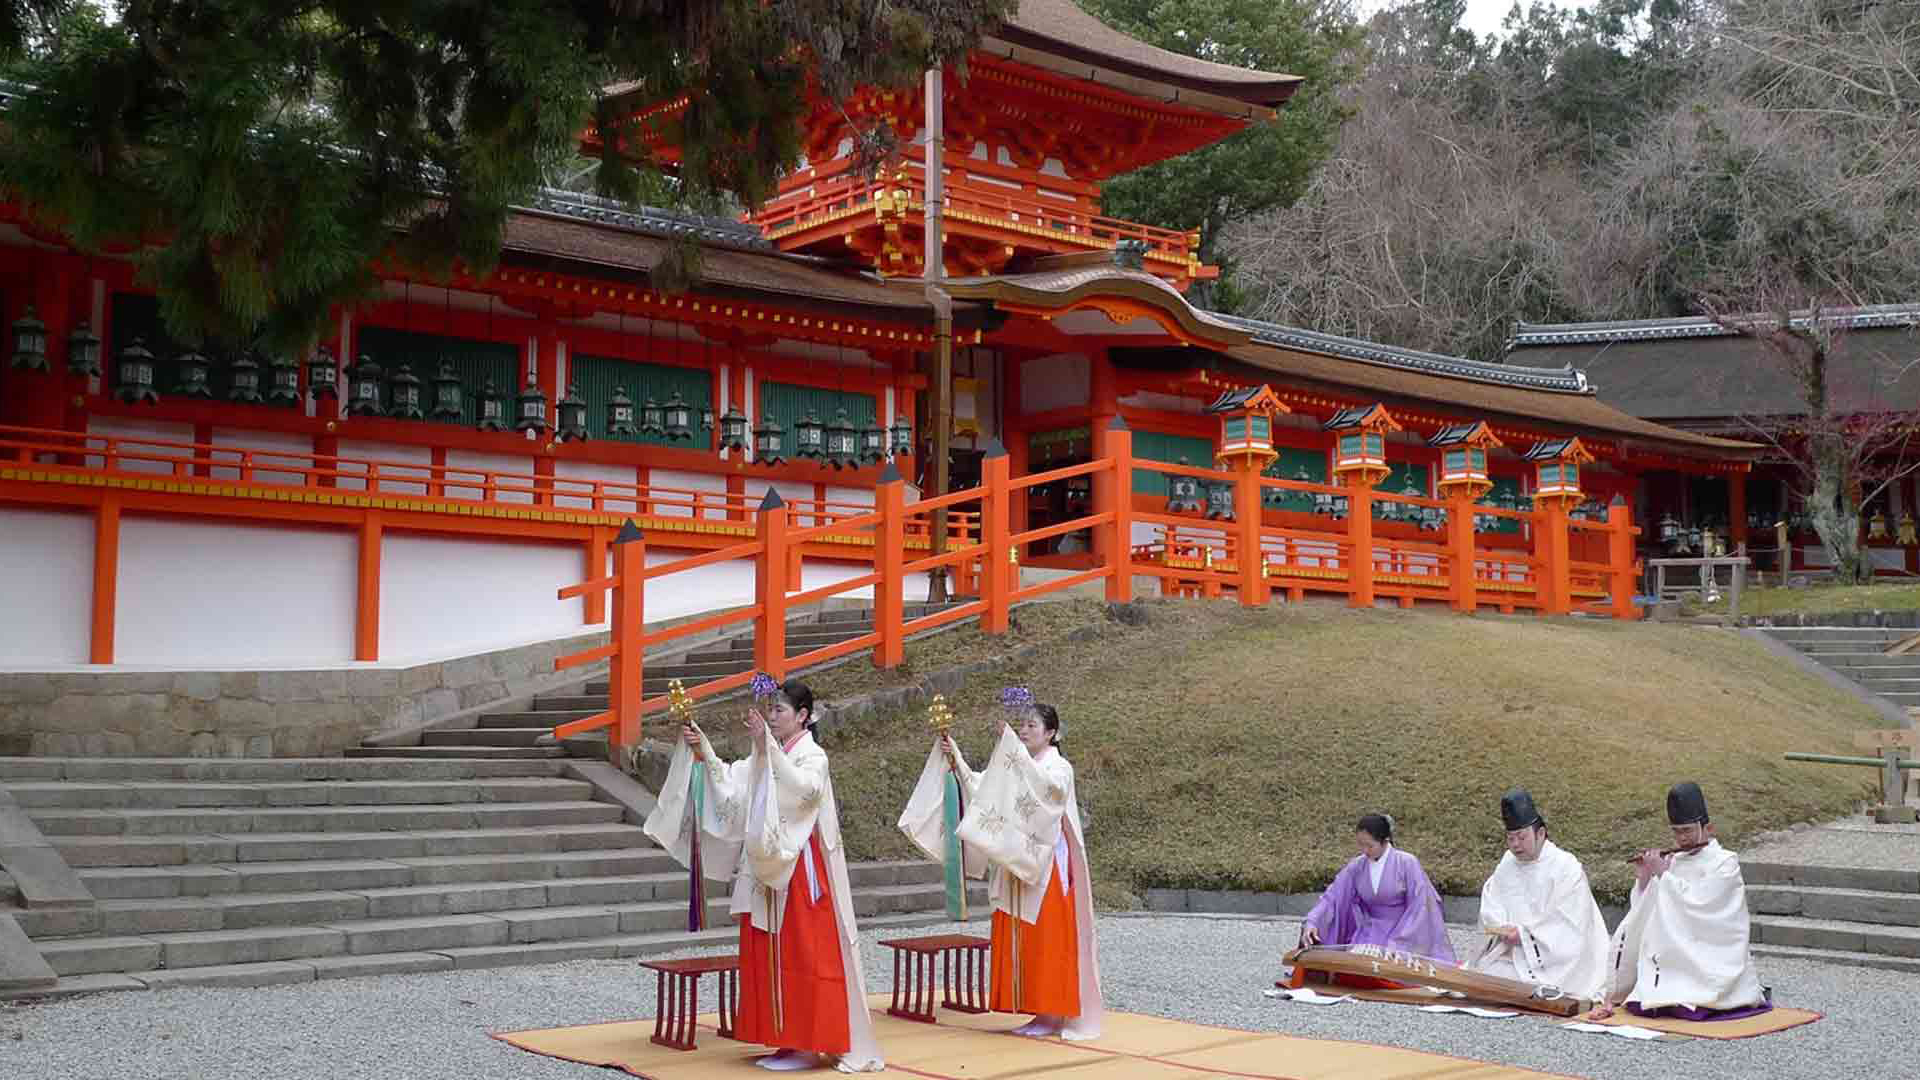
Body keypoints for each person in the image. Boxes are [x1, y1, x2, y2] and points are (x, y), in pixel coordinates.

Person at [644, 680, 883, 1072]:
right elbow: (733, 787)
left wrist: (765, 748)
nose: (773, 718)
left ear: (803, 716)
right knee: (769, 950)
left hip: (799, 868)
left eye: (780, 711)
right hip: (766, 863)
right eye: (770, 711)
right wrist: (702, 746)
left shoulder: (813, 757)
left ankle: (809, 1042)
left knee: (802, 951)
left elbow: (803, 791)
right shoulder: (767, 752)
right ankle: (785, 1039)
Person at [899, 691, 1105, 1040]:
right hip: (1016, 859)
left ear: (1051, 733)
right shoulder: (1018, 762)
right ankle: (1037, 1009)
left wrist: (1013, 753)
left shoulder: (1058, 768)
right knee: (1023, 937)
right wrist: (958, 761)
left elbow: (1046, 795)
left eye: (1032, 725)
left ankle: (1053, 1011)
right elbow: (985, 787)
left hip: (1045, 864)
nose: (1025, 731)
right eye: (1022, 725)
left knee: (1048, 938)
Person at [1591, 782, 1769, 1022]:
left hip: (1710, 950)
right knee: (1648, 997)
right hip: (1672, 950)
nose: (1682, 838)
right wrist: (1645, 877)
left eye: (1687, 830)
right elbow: (1650, 907)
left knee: (1694, 999)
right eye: (1676, 832)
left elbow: (1703, 907)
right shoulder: (1674, 860)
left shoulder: (1725, 863)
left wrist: (1664, 875)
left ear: (1708, 828)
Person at [1471, 789, 1609, 1000]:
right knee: (1488, 979)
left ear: (1541, 834)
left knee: (1524, 987)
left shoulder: (1565, 867)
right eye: (1510, 838)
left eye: (1521, 837)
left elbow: (1570, 924)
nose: (1515, 845)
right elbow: (1492, 901)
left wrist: (1526, 936)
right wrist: (1500, 926)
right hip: (1509, 954)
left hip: (1554, 962)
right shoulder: (1507, 863)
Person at [1294, 813, 1456, 977]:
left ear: (1385, 841)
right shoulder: (1357, 866)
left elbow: (1421, 906)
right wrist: (1314, 921)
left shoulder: (1407, 862)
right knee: (1355, 971)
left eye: (1369, 846)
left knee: (1393, 972)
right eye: (1360, 845)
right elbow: (1334, 895)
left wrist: (1400, 942)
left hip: (1402, 930)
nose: (1364, 850)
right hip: (1368, 932)